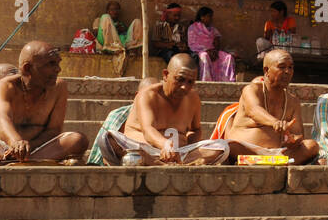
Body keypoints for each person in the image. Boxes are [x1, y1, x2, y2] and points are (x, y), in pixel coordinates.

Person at [0, 42, 88, 165]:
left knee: (77, 140)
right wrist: (15, 143)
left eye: (58, 63)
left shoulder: (60, 87)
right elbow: (4, 120)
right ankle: (19, 163)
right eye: (50, 64)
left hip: (35, 151)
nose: (58, 69)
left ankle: (10, 164)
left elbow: (53, 131)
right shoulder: (4, 86)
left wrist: (26, 149)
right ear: (27, 68)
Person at [92, 54, 228, 165]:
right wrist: (165, 145)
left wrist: (186, 149)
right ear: (165, 75)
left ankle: (179, 163)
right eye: (180, 80)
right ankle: (157, 163)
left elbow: (196, 129)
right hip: (146, 151)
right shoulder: (147, 95)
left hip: (180, 154)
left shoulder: (193, 98)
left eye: (190, 82)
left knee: (222, 146)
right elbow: (148, 129)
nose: (184, 87)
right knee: (107, 138)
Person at [219, 49, 319, 163]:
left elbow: (298, 134)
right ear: (266, 70)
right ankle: (274, 162)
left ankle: (266, 161)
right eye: (282, 67)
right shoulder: (252, 89)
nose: (287, 71)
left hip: (277, 153)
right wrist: (275, 123)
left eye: (290, 67)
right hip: (247, 150)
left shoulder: (293, 101)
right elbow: (254, 110)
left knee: (311, 146)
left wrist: (294, 140)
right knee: (229, 146)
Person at [188, 6, 236, 82]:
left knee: (228, 57)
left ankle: (227, 81)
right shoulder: (193, 28)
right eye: (209, 16)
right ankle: (206, 81)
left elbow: (217, 42)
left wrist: (215, 51)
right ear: (202, 17)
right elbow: (192, 44)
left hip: (213, 51)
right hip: (200, 52)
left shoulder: (213, 29)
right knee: (204, 56)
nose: (211, 19)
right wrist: (207, 51)